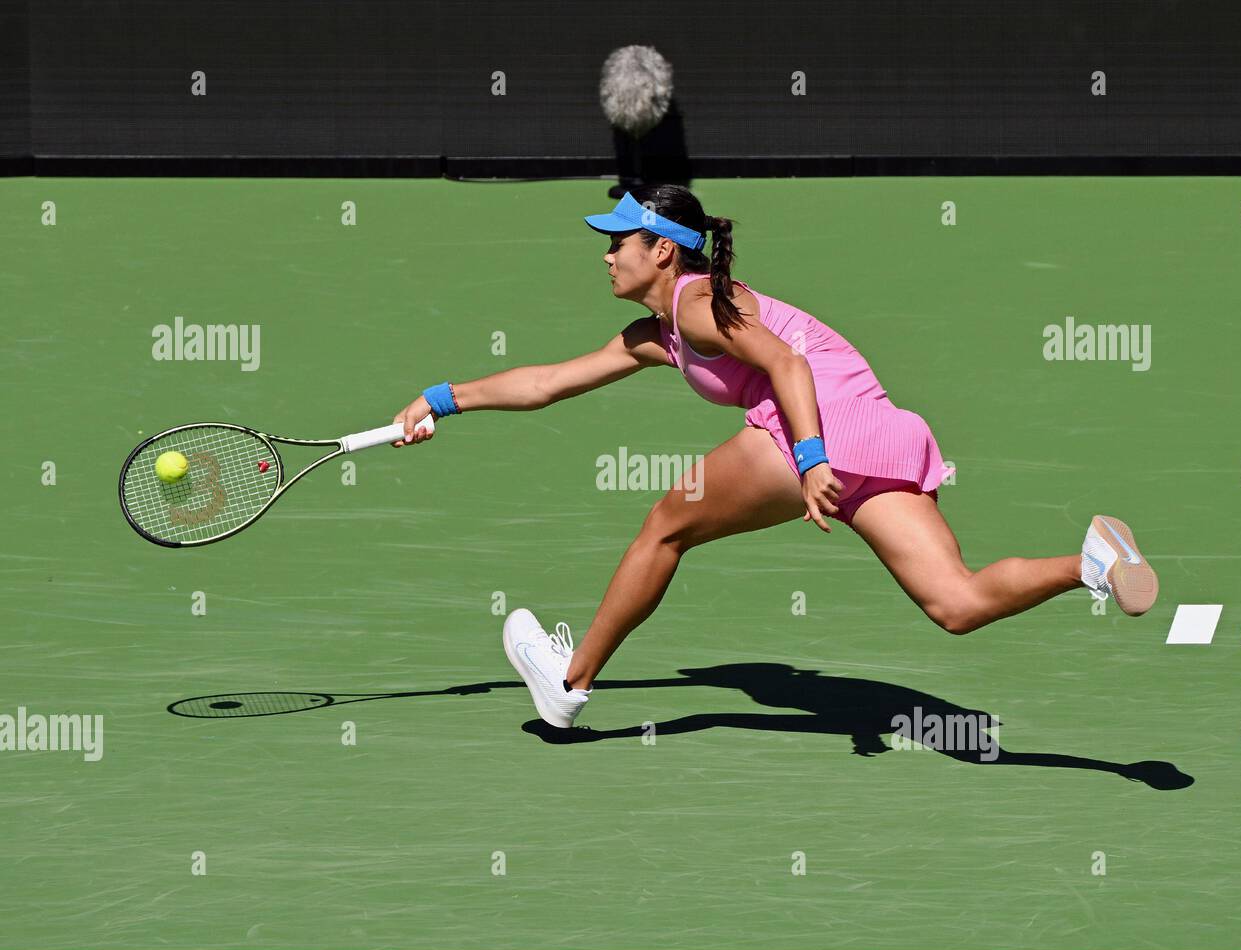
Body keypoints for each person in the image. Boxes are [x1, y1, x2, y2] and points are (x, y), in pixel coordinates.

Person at [390, 184, 1159, 729]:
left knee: (666, 525)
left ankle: (569, 681)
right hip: (879, 428)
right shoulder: (662, 330)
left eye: (616, 242)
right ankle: (1090, 560)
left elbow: (789, 367)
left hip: (810, 431)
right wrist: (441, 398)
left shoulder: (694, 302)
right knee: (955, 603)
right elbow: (548, 382)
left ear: (661, 250)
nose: (605, 257)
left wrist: (813, 458)